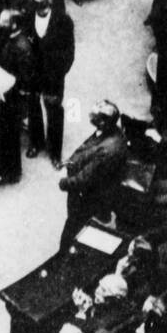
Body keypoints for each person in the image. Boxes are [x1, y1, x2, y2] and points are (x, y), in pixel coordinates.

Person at [58, 100, 128, 249]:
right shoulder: (111, 131)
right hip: (95, 190)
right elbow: (89, 147)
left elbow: (84, 179)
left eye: (94, 115)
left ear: (102, 122)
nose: (90, 116)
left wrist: (64, 183)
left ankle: (64, 253)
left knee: (73, 226)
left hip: (88, 195)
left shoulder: (107, 151)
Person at [0, 9, 36, 186]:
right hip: (3, 93)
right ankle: (10, 170)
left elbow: (24, 79)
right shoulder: (6, 36)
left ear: (13, 25)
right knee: (5, 134)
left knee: (9, 137)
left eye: (3, 22)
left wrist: (5, 89)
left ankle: (11, 173)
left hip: (11, 99)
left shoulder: (22, 47)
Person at [26, 0, 76, 168]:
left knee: (54, 111)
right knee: (33, 106)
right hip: (33, 71)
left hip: (53, 75)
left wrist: (58, 73)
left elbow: (69, 53)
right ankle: (36, 141)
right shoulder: (28, 14)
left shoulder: (63, 21)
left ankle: (55, 152)